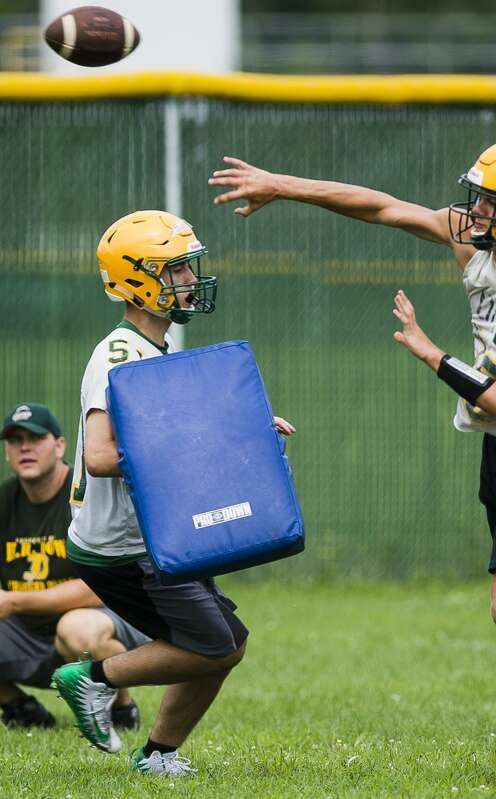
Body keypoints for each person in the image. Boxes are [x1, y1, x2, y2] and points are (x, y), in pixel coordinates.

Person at [209, 139, 496, 790]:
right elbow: (382, 207)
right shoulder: (476, 240)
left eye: (493, 201)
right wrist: (282, 182)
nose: (474, 210)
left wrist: (430, 352)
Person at [51, 210, 296, 777]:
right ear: (138, 279)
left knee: (226, 643)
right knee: (217, 646)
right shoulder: (119, 353)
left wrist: (246, 433)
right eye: (177, 270)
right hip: (124, 546)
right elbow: (100, 455)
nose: (190, 280)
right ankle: (91, 680)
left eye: (188, 268)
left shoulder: (152, 350)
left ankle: (158, 756)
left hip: (158, 535)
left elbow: (178, 433)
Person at [0, 402, 148, 729]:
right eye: (14, 440)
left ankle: (121, 707)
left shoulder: (89, 497)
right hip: (26, 631)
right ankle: (19, 708)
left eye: (35, 438)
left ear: (60, 445)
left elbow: (101, 589)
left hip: (98, 623)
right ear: (6, 452)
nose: (24, 447)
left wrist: (12, 601)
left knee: (78, 629)